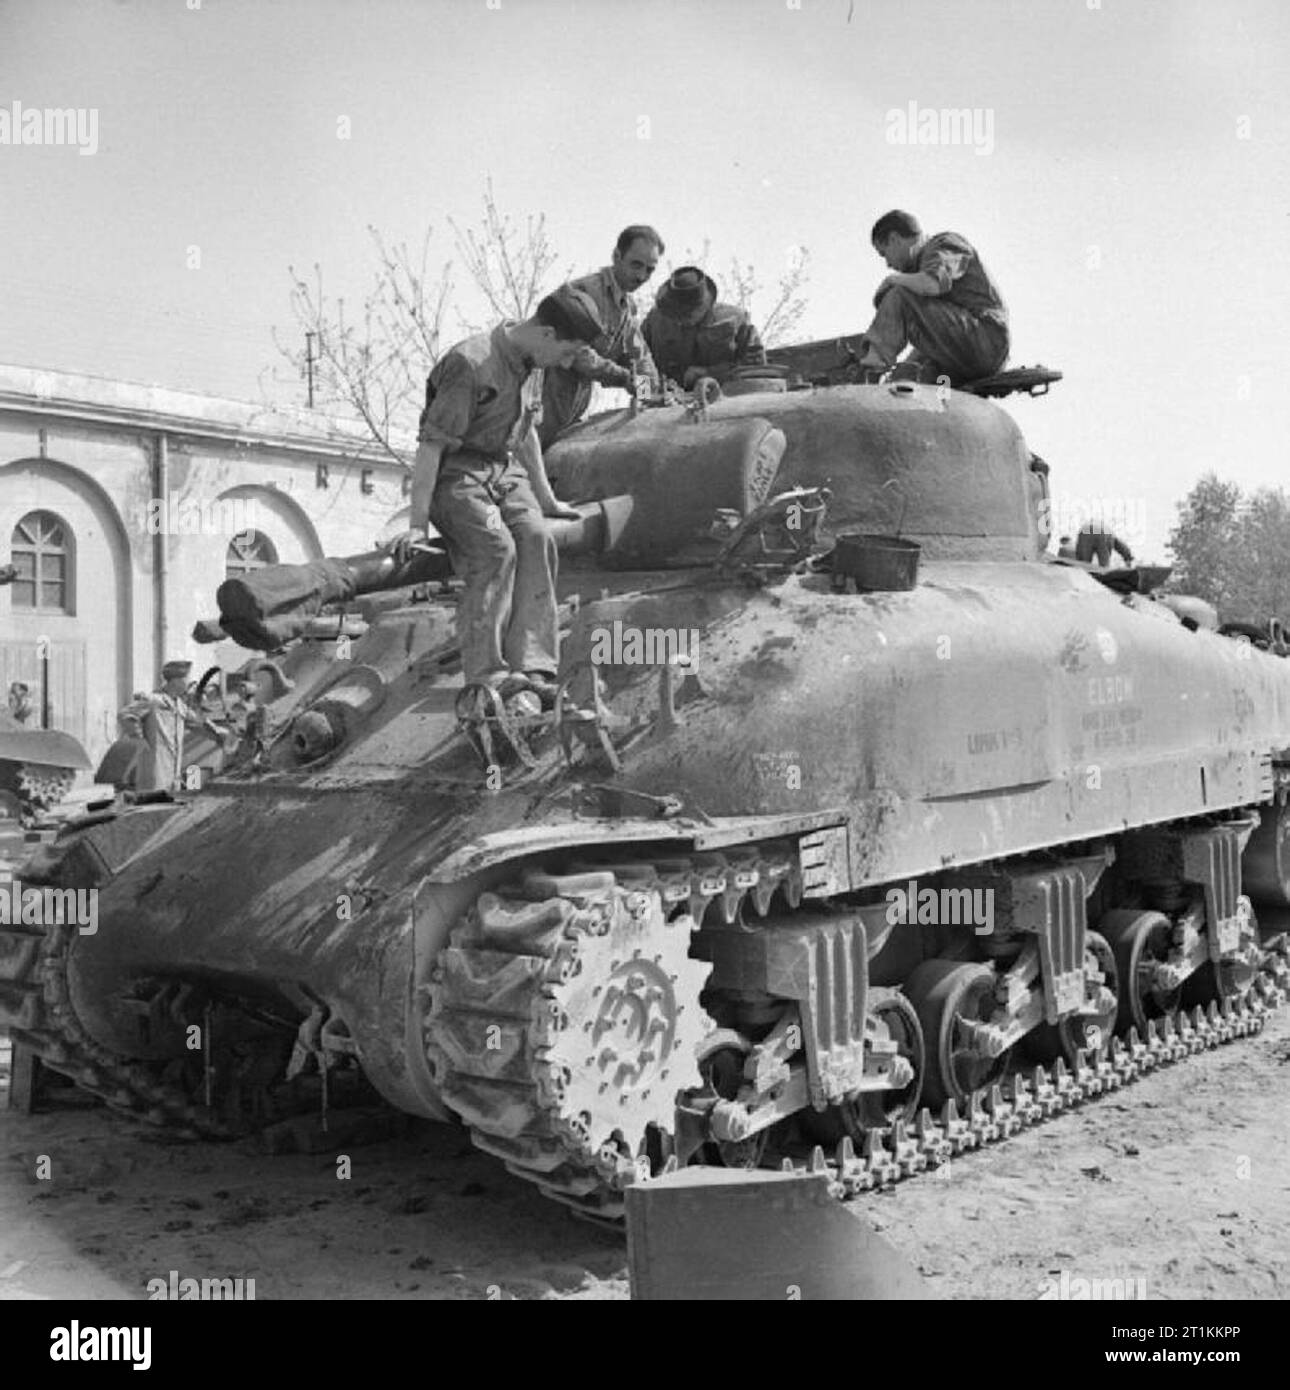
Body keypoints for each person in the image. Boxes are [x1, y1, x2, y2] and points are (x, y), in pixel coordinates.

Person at [385, 288, 605, 707]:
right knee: (496, 549)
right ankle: (489, 675)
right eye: (566, 351)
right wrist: (416, 524)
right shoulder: (470, 363)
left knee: (538, 536)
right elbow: (431, 448)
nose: (565, 364)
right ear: (545, 332)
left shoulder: (532, 364)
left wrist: (546, 500)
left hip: (504, 471)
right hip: (457, 476)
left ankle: (534, 666)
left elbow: (526, 439)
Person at [538, 225, 665, 446]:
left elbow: (639, 357)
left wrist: (647, 396)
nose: (641, 276)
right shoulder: (581, 293)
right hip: (541, 402)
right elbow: (578, 355)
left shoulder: (626, 310)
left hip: (573, 410)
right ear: (617, 256)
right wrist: (625, 378)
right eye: (636, 265)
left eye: (649, 270)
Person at [855, 210, 1008, 386]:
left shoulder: (944, 244)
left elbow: (933, 283)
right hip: (959, 349)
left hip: (985, 341)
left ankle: (871, 370)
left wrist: (893, 281)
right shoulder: (918, 271)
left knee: (899, 294)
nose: (888, 264)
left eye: (885, 254)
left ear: (894, 239)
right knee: (900, 382)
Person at [642, 266, 766, 389]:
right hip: (668, 404)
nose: (683, 320)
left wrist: (709, 373)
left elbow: (756, 367)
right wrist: (643, 397)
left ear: (705, 305)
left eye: (690, 313)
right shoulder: (654, 323)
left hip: (727, 401)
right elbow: (637, 362)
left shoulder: (734, 321)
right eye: (677, 313)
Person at [131, 660, 204, 793]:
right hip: (155, 776)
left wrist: (220, 734)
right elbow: (126, 715)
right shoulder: (152, 700)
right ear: (176, 681)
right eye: (186, 679)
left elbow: (199, 723)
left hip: (173, 777)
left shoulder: (180, 706)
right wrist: (139, 739)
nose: (188, 683)